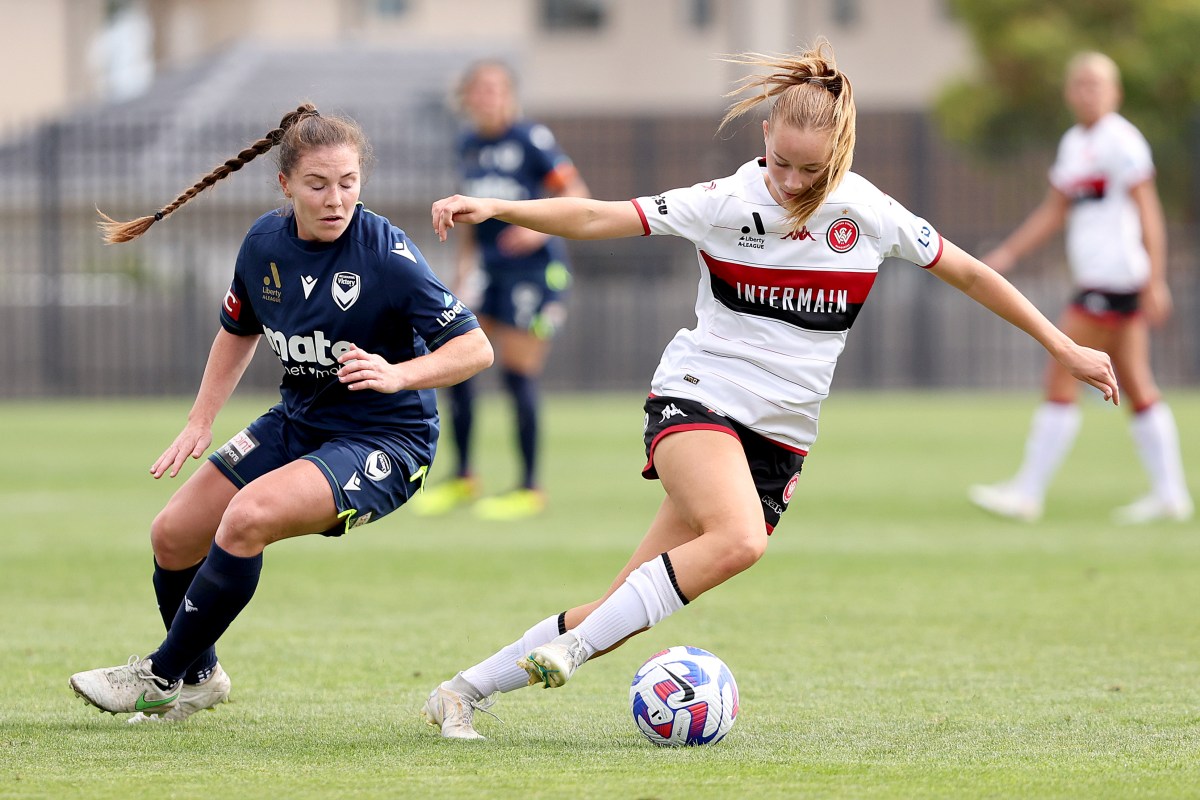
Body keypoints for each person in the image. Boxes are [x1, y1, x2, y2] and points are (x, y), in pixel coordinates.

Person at [418, 39, 1120, 740]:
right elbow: (603, 215)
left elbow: (970, 274)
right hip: (698, 399)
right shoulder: (727, 201)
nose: (787, 180)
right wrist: (499, 207)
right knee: (740, 539)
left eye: (809, 169)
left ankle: (461, 692)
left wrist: (1062, 345)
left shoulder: (869, 214)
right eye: (779, 160)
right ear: (764, 137)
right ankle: (568, 651)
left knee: (615, 612)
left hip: (779, 440)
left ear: (841, 152)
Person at [68, 104, 493, 722]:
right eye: (318, 184)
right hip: (298, 422)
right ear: (286, 184)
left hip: (386, 441)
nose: (335, 199)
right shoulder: (264, 244)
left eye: (348, 183)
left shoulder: (387, 254)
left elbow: (475, 348)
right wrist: (200, 419)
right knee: (173, 534)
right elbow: (237, 329)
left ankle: (160, 677)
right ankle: (203, 676)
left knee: (247, 518)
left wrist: (400, 373)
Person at [968, 52, 1192, 525]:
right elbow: (1055, 210)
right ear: (1069, 92)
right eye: (1079, 84)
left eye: (1096, 84)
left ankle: (1027, 492)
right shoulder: (1075, 143)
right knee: (1136, 383)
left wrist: (1156, 278)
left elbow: (1148, 210)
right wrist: (1007, 255)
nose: (1087, 91)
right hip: (1102, 280)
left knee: (1061, 372)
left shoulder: (1122, 141)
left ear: (1115, 92)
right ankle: (1172, 494)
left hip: (1114, 279)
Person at [408, 59, 591, 522]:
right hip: (490, 273)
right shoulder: (469, 144)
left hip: (534, 273)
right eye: (480, 89)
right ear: (468, 98)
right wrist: (463, 271)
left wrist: (535, 231)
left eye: (496, 88)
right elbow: (472, 216)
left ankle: (530, 487)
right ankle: (464, 476)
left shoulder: (530, 139)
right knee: (461, 365)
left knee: (517, 374)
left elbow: (577, 192)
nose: (488, 96)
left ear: (509, 94)